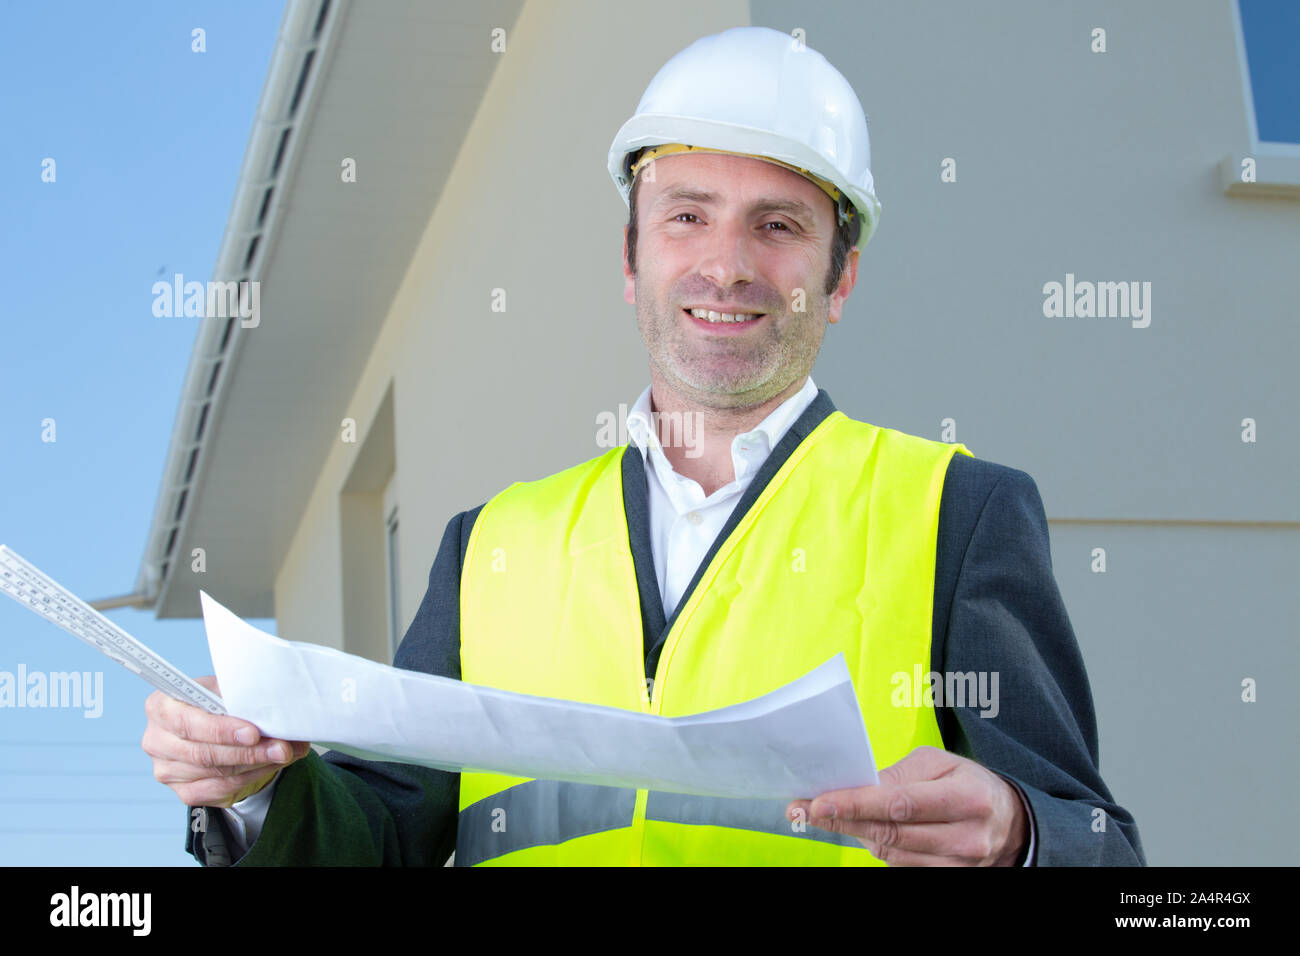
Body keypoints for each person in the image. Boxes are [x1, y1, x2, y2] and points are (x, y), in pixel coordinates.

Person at [143, 26, 1145, 866]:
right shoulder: (490, 544)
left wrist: (1022, 835)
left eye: (778, 224)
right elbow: (378, 833)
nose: (726, 263)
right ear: (631, 260)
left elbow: (1101, 842)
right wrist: (260, 788)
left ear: (839, 281)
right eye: (686, 216)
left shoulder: (957, 511)